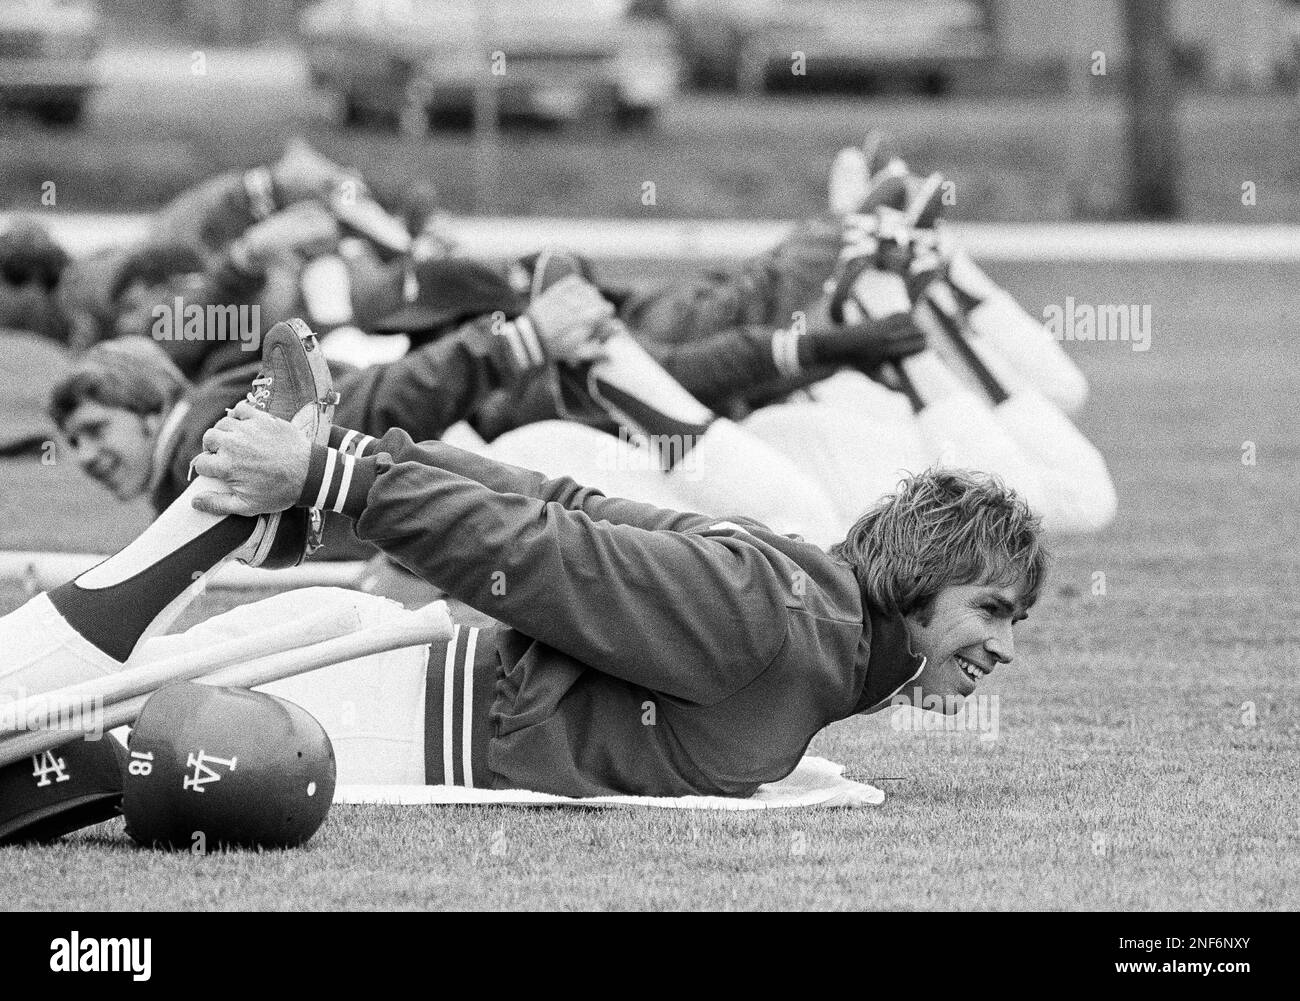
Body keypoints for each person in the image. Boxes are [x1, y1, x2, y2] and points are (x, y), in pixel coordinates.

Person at [1, 334, 1047, 798]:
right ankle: (228, 506)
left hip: (349, 674)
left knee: (47, 728)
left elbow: (568, 507)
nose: (1002, 645)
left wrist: (363, 462)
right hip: (355, 708)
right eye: (991, 609)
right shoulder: (777, 617)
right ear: (917, 578)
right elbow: (547, 550)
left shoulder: (818, 619)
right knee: (31, 714)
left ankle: (234, 505)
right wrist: (330, 475)